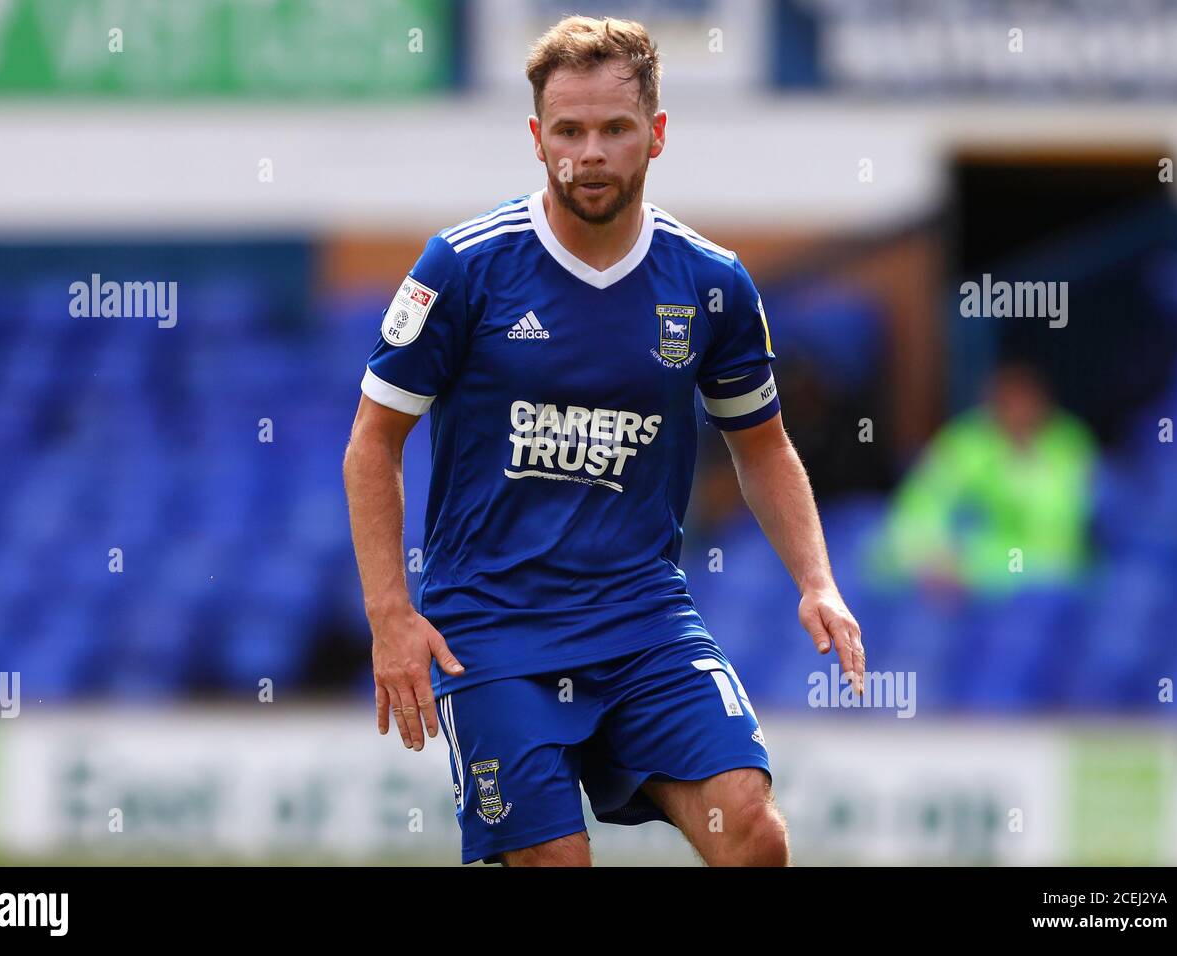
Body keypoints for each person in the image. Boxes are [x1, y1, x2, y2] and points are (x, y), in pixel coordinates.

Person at [343, 15, 862, 867]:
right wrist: (390, 613)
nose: (589, 152)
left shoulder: (711, 284)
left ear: (655, 136)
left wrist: (817, 581)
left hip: (642, 619)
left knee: (754, 831)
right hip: (493, 631)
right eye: (568, 131)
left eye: (614, 129)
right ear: (536, 137)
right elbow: (373, 441)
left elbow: (762, 445)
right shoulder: (462, 268)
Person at [875, 360, 1097, 593]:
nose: (1018, 410)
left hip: (1047, 590)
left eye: (1025, 400)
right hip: (970, 585)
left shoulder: (1069, 447)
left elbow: (1055, 550)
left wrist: (972, 568)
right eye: (1008, 401)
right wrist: (932, 553)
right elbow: (919, 506)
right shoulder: (967, 441)